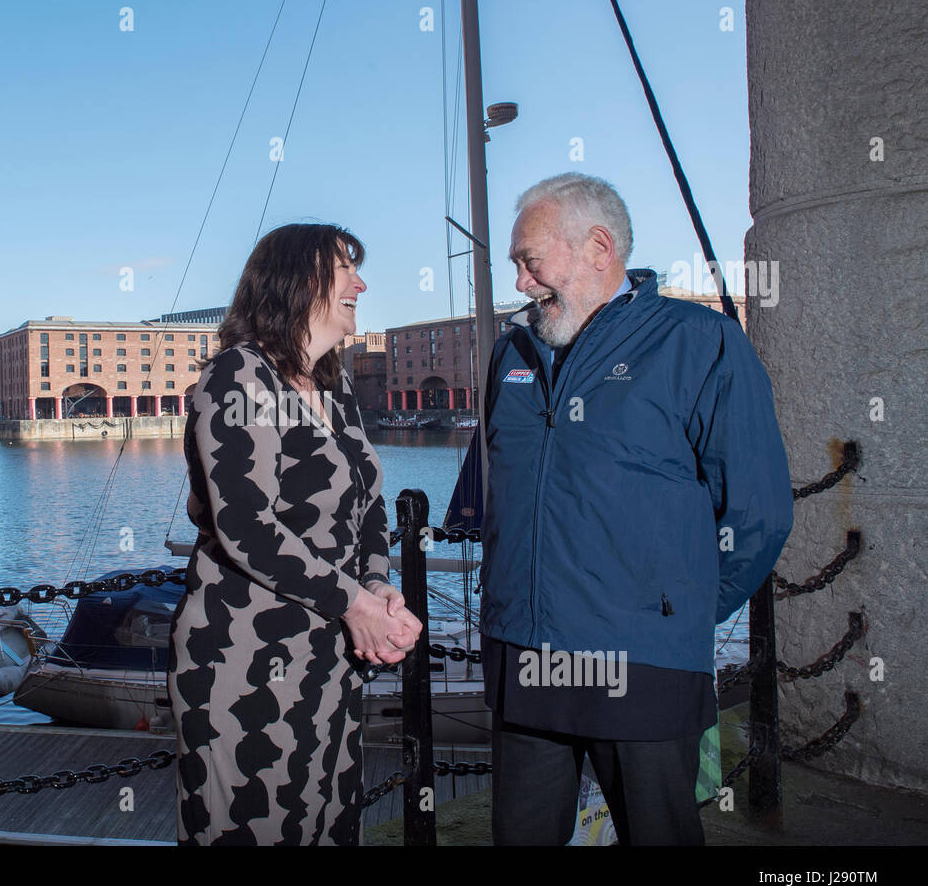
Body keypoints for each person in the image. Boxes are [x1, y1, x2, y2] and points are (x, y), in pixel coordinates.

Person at [479, 173, 793, 845]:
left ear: (598, 246)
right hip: (522, 655)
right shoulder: (512, 351)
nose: (522, 281)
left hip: (641, 665)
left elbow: (759, 514)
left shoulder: (701, 343)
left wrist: (672, 613)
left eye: (529, 261)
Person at [169, 222, 423, 846]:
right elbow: (246, 526)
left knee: (330, 827)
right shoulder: (238, 378)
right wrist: (357, 605)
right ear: (296, 280)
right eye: (345, 270)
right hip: (247, 659)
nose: (360, 284)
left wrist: (379, 588)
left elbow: (368, 504)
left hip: (330, 657)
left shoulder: (334, 389)